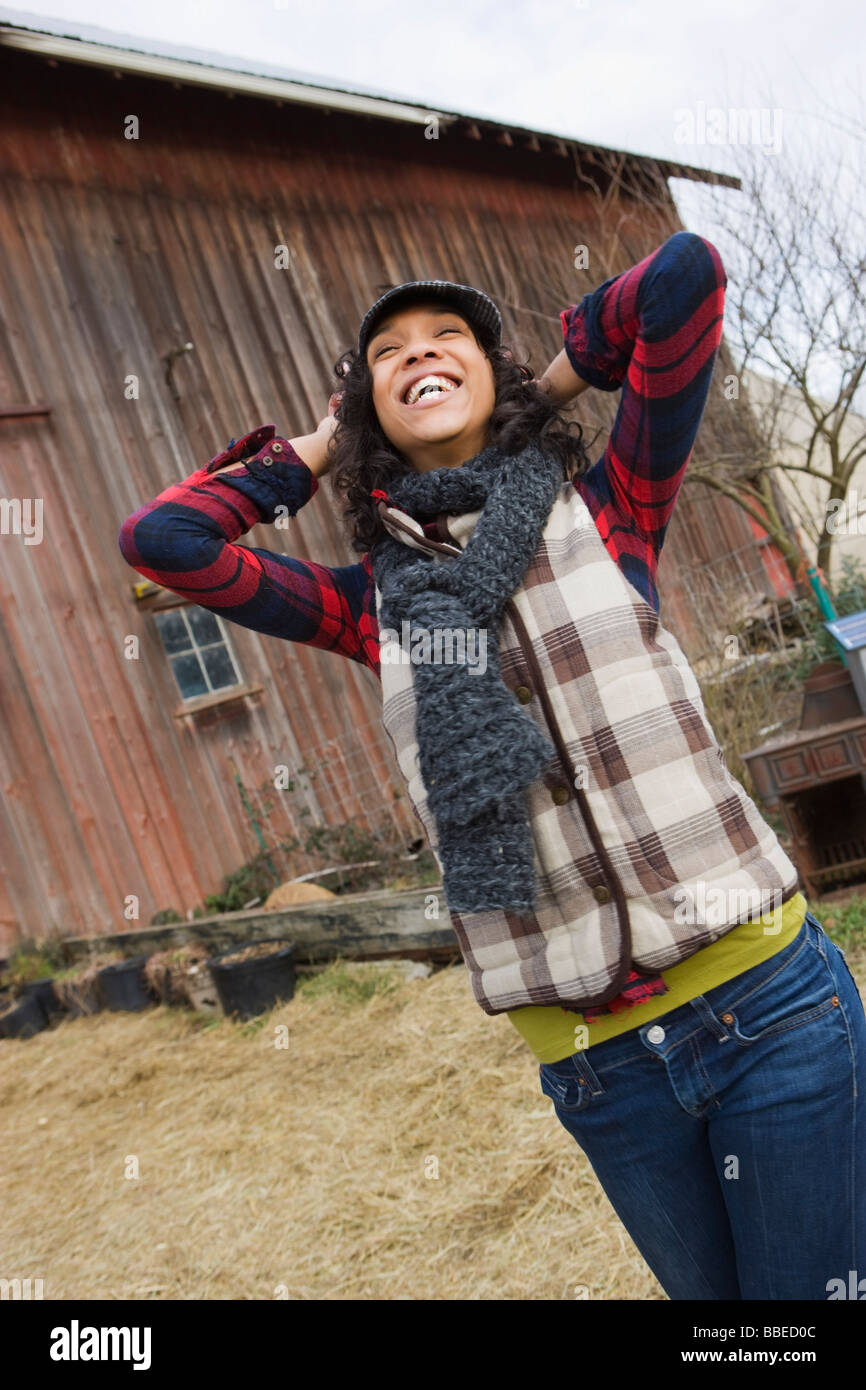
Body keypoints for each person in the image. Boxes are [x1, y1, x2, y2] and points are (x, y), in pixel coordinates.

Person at [118, 230, 866, 1300]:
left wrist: (543, 385)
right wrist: (327, 441)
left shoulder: (610, 510)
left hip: (767, 1004)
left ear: (491, 366)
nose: (419, 350)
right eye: (387, 351)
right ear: (357, 401)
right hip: (598, 1063)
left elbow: (682, 279)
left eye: (448, 338)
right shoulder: (364, 608)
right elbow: (164, 542)